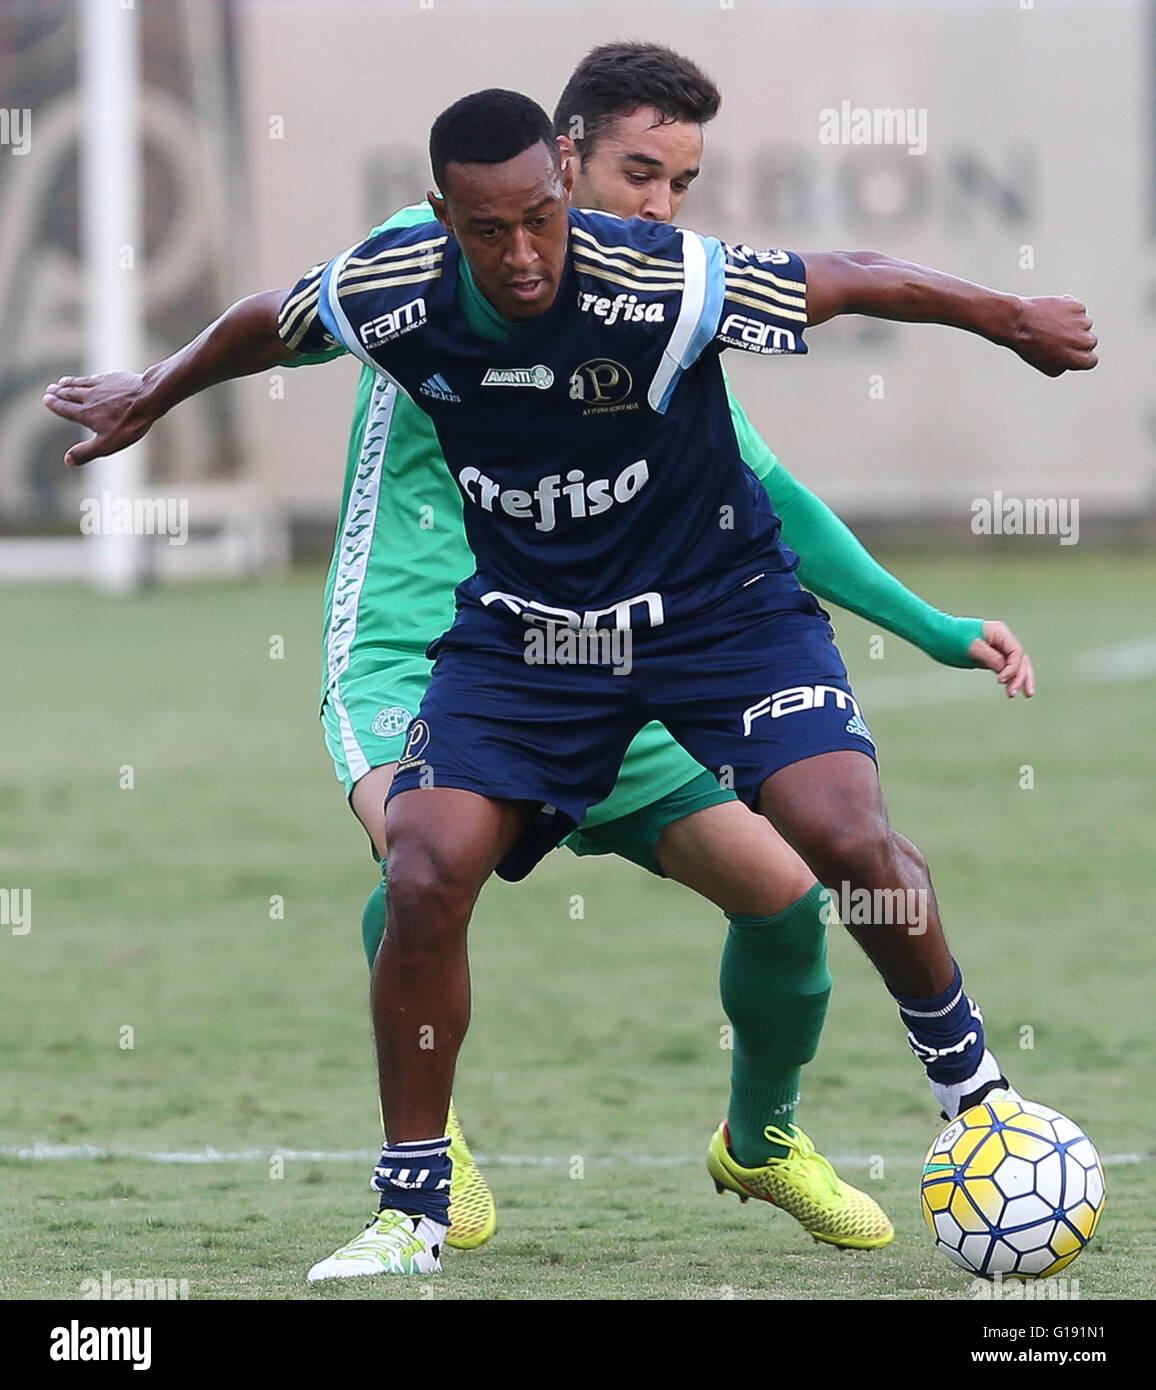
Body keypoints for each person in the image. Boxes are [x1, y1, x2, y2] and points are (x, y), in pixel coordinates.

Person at [43, 85, 1095, 1281]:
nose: (523, 252)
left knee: (834, 843)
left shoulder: (657, 280)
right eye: (490, 230)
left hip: (714, 615)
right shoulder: (394, 287)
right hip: (525, 637)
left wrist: (1007, 317)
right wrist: (152, 390)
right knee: (427, 863)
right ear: (441, 219)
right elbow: (267, 320)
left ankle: (968, 1096)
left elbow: (846, 274)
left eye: (540, 218)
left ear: (560, 180)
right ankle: (413, 1204)